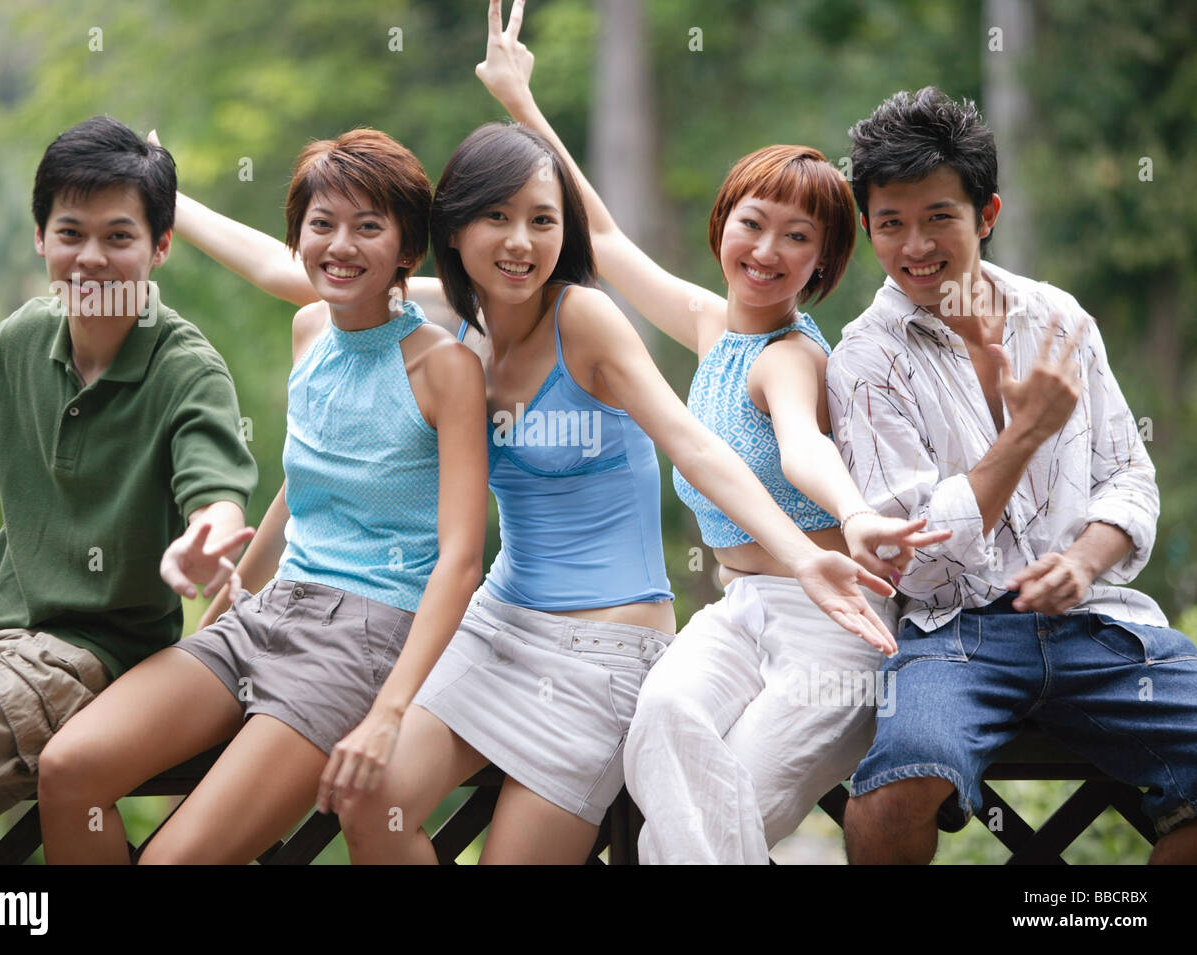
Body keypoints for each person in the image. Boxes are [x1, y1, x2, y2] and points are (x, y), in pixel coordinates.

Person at [170, 117, 908, 862]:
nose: (520, 241)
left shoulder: (581, 318)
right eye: (497, 217)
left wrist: (804, 553)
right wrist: (165, 197)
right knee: (365, 798)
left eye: (542, 221)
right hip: (496, 623)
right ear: (454, 230)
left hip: (604, 649)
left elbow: (694, 443)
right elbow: (283, 266)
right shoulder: (452, 322)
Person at [474, 0, 951, 864]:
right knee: (658, 722)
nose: (767, 249)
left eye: (797, 236)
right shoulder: (710, 326)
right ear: (723, 223)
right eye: (753, 222)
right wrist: (522, 105)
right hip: (741, 610)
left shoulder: (788, 357)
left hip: (832, 622)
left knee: (682, 835)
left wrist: (854, 512)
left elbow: (803, 444)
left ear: (823, 263)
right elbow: (604, 235)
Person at [37, 128, 489, 864]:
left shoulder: (445, 370)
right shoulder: (310, 330)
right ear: (298, 237)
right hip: (267, 615)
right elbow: (301, 495)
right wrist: (217, 619)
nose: (340, 245)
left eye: (368, 227)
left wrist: (388, 713)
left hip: (365, 640)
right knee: (67, 771)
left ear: (407, 251)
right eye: (322, 225)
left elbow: (460, 562)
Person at [827, 86, 1197, 864]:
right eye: (890, 223)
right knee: (891, 794)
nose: (914, 246)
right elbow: (915, 559)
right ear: (866, 227)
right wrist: (1024, 434)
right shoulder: (865, 358)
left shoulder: (1059, 320)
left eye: (939, 218)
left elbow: (1130, 475)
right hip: (954, 634)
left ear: (986, 215)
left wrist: (1082, 561)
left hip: (1099, 620)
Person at [0, 116, 258, 864]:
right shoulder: (24, 339)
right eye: (71, 232)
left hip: (90, 655)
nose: (90, 258)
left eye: (118, 237)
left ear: (160, 246)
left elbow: (215, 490)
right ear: (41, 237)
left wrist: (208, 535)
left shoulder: (187, 369)